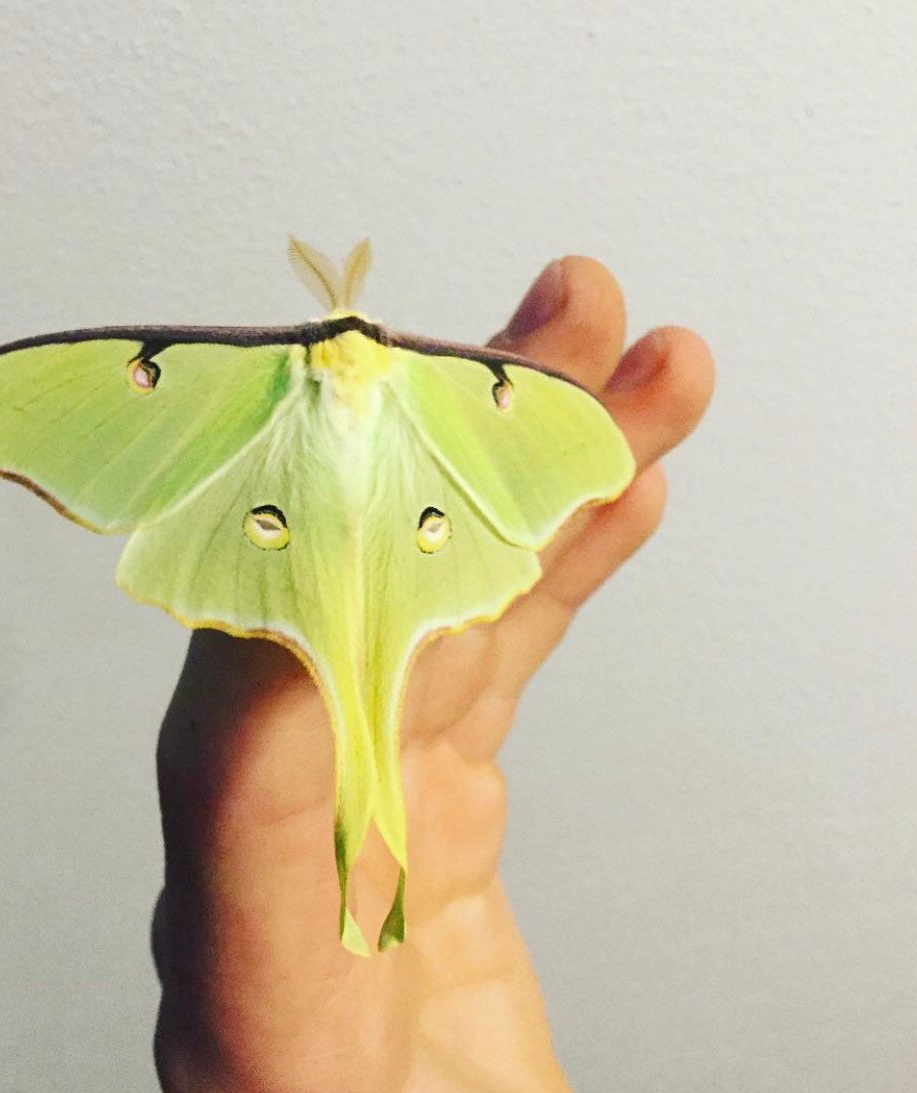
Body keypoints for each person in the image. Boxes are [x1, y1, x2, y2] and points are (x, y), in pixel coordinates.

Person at [150, 256, 716, 1092]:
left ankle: (377, 902)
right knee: (342, 719)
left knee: (366, 715)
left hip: (390, 528)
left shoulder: (419, 381)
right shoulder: (292, 376)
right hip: (317, 535)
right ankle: (368, 903)